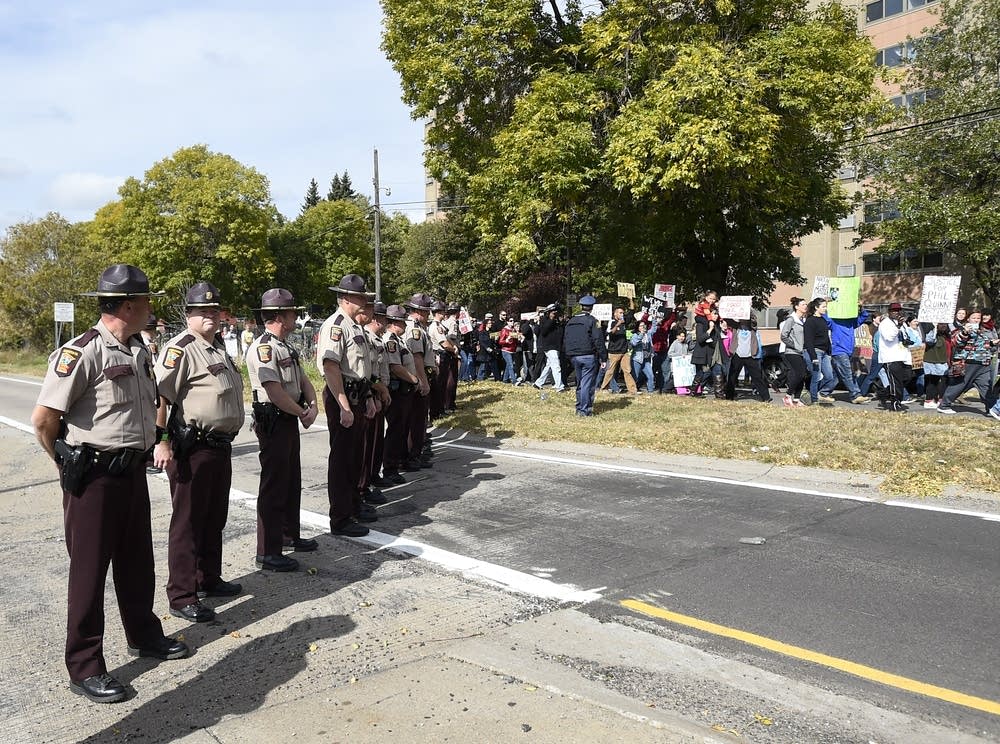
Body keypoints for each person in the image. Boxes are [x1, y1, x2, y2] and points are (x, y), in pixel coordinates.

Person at [31, 264, 188, 704]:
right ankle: (84, 667)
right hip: (94, 478)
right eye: (147, 302)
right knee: (89, 573)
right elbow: (44, 420)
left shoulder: (137, 348)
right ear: (127, 306)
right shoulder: (81, 352)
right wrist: (67, 463)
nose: (152, 308)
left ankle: (145, 635)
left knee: (138, 562)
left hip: (131, 473)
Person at [152, 281, 245, 623]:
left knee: (213, 517)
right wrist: (160, 440)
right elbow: (161, 397)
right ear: (189, 315)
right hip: (193, 447)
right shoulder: (181, 348)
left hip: (219, 445)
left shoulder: (217, 347)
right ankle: (181, 594)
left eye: (213, 310)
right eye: (201, 311)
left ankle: (208, 578)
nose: (209, 315)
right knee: (188, 523)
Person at [246, 288, 320, 573]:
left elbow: (303, 381)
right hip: (274, 421)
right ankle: (268, 551)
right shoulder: (264, 348)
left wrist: (312, 404)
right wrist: (302, 412)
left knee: (291, 481)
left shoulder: (286, 346)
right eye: (291, 312)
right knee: (274, 486)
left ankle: (289, 535)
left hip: (288, 418)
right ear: (278, 316)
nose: (296, 316)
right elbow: (273, 390)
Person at [316, 275, 378, 536]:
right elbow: (331, 367)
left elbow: (362, 368)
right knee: (342, 460)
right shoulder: (336, 326)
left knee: (356, 457)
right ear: (345, 299)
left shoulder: (356, 326)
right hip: (344, 397)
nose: (365, 301)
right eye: (360, 297)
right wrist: (344, 405)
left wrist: (370, 398)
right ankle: (340, 518)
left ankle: (353, 505)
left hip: (359, 395)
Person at [382, 304, 420, 482]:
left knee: (402, 428)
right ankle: (390, 467)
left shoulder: (399, 340)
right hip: (397, 390)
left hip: (404, 391)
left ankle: (398, 461)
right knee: (396, 430)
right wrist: (414, 379)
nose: (405, 326)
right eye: (402, 323)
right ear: (394, 323)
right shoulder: (390, 340)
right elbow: (395, 367)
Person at [938, 309, 998, 416]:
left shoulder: (981, 330)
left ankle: (993, 408)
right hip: (968, 362)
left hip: (983, 362)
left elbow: (982, 345)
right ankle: (944, 405)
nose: (976, 320)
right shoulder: (961, 329)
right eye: (974, 318)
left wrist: (992, 343)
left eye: (978, 318)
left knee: (986, 387)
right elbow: (957, 342)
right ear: (968, 319)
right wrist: (965, 332)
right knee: (959, 385)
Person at [361, 301, 392, 501]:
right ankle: (364, 484)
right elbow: (368, 373)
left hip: (376, 392)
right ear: (377, 320)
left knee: (374, 440)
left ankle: (371, 476)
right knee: (367, 444)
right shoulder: (367, 338)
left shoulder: (376, 339)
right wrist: (376, 393)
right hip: (369, 393)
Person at [404, 293, 435, 468]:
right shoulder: (414, 328)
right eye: (426, 310)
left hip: (421, 374)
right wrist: (423, 381)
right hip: (417, 376)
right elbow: (417, 357)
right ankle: (412, 455)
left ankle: (415, 451)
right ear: (417, 311)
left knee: (418, 418)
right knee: (416, 419)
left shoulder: (419, 327)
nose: (428, 313)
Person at [563, 295, 607, 416]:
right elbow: (598, 340)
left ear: (581, 306)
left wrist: (567, 354)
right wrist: (604, 357)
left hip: (573, 356)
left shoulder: (571, 321)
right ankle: (585, 409)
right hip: (587, 355)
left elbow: (566, 338)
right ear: (591, 308)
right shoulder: (593, 321)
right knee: (587, 383)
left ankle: (579, 407)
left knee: (580, 382)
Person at [825, 302, 871, 404]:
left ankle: (823, 393)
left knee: (837, 376)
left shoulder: (851, 321)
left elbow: (864, 316)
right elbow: (825, 318)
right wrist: (829, 305)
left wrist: (861, 307)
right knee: (848, 374)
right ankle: (855, 395)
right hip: (839, 351)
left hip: (849, 351)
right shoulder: (834, 320)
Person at [876, 302, 913, 413]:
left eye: (898, 311)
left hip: (903, 356)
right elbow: (889, 337)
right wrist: (898, 327)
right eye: (894, 311)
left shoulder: (902, 323)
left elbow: (906, 337)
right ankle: (895, 404)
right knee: (896, 382)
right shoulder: (885, 323)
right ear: (889, 312)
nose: (896, 313)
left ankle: (884, 392)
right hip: (891, 357)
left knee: (907, 378)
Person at [725, 317, 770, 402]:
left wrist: (748, 308)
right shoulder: (736, 327)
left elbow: (754, 320)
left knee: (757, 377)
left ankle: (766, 397)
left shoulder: (752, 327)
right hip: (737, 355)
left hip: (750, 355)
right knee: (732, 376)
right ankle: (729, 396)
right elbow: (727, 319)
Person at [804, 298, 837, 405]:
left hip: (824, 352)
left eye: (825, 306)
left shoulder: (823, 320)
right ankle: (814, 400)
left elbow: (826, 337)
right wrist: (813, 357)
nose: (825, 309)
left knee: (829, 376)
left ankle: (818, 393)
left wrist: (829, 351)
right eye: (823, 307)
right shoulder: (810, 321)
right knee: (816, 376)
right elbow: (808, 340)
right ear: (816, 308)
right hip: (814, 351)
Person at [600, 307, 638, 394]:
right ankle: (604, 388)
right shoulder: (611, 322)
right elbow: (609, 333)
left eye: (623, 313)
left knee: (627, 370)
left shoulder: (624, 322)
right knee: (610, 371)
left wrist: (630, 299)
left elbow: (631, 312)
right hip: (614, 352)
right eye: (620, 313)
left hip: (624, 351)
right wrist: (618, 324)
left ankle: (632, 390)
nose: (622, 314)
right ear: (615, 314)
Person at [779, 297, 809, 407]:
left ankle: (796, 399)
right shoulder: (791, 319)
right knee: (799, 373)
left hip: (801, 352)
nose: (805, 306)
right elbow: (783, 336)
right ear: (796, 307)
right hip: (791, 352)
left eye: (806, 304)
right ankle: (787, 396)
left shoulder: (803, 320)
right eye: (803, 304)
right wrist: (794, 345)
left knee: (803, 375)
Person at [533, 303, 564, 391]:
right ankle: (559, 386)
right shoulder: (544, 320)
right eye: (553, 312)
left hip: (556, 346)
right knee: (556, 366)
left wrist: (560, 321)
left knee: (549, 366)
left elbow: (560, 333)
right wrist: (551, 319)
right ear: (549, 312)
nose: (555, 314)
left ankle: (538, 383)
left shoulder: (557, 321)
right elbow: (543, 331)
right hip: (549, 346)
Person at [498, 317, 520, 383]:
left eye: (513, 320)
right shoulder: (504, 330)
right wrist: (507, 340)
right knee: (511, 365)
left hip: (512, 350)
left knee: (508, 365)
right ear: (507, 322)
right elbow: (500, 341)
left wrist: (518, 335)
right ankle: (514, 381)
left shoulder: (513, 330)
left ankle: (505, 379)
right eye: (510, 321)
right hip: (506, 350)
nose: (512, 322)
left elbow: (515, 341)